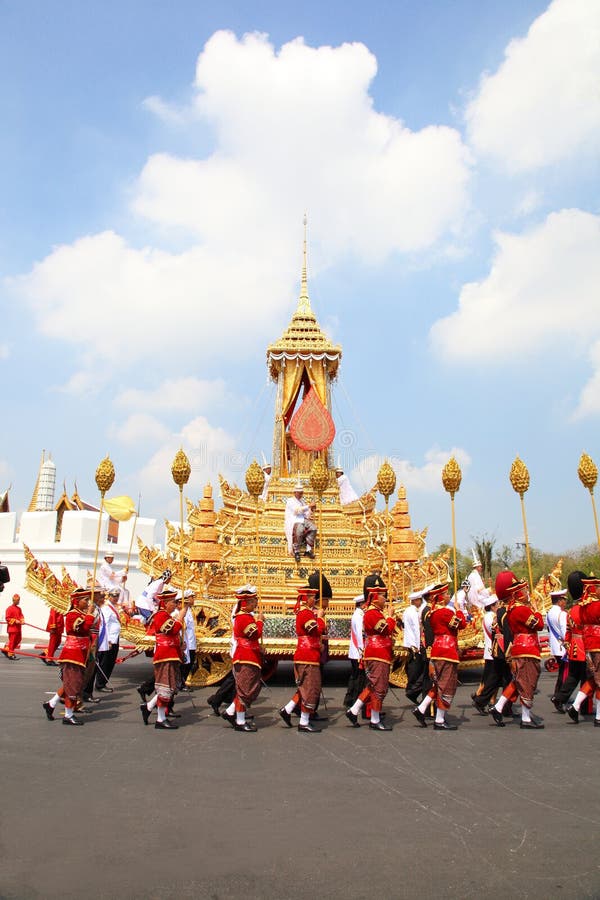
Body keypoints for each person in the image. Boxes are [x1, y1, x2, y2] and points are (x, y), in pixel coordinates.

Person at [489, 578, 545, 729]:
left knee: (518, 681)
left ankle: (499, 707)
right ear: (520, 594)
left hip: (519, 647)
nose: (527, 593)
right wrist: (537, 610)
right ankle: (526, 718)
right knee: (527, 681)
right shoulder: (522, 610)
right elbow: (539, 625)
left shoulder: (512, 609)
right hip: (527, 648)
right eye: (525, 591)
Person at [412, 582, 466, 730]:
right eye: (447, 593)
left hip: (437, 649)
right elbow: (461, 624)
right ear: (441, 597)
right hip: (447, 651)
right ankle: (440, 719)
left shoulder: (432, 612)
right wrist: (458, 610)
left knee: (438, 684)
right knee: (447, 685)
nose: (449, 596)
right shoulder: (445, 612)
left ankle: (422, 708)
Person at [42, 588, 97, 726]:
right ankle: (68, 715)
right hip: (73, 654)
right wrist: (90, 615)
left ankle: (51, 703)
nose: (88, 602)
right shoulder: (73, 614)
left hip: (81, 653)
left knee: (70, 683)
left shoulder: (81, 613)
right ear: (76, 602)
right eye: (85, 600)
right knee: (73, 685)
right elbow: (83, 628)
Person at [346, 587, 397, 730]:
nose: (385, 599)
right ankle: (374, 719)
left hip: (378, 652)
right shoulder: (373, 614)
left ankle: (354, 710)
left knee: (373, 685)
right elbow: (386, 629)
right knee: (379, 687)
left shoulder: (374, 613)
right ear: (375, 598)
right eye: (382, 596)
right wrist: (391, 617)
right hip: (377, 653)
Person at [279, 587, 326, 732]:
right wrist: (320, 618)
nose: (315, 600)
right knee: (311, 688)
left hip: (309, 653)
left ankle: (288, 709)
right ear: (306, 599)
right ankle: (304, 722)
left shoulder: (306, 613)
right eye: (312, 597)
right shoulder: (305, 614)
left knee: (305, 687)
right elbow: (315, 630)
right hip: (307, 656)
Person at [221, 585, 264, 732]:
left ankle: (231, 712)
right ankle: (239, 721)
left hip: (249, 655)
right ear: (245, 604)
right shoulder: (243, 618)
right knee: (244, 689)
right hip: (245, 656)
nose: (255, 604)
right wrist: (260, 621)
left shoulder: (245, 617)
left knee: (248, 687)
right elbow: (254, 634)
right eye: (252, 602)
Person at [140, 589, 183, 730]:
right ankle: (160, 718)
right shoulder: (160, 616)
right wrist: (181, 617)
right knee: (165, 686)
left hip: (171, 654)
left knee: (169, 686)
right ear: (165, 603)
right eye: (173, 602)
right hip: (165, 655)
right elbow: (171, 630)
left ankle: (149, 707)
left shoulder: (166, 615)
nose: (175, 605)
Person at [553, 571, 592, 714]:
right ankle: (583, 707)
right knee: (588, 677)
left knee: (574, 676)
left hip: (574, 647)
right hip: (583, 646)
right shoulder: (584, 609)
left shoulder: (572, 610)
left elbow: (569, 630)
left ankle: (560, 697)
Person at [565, 575, 600, 726]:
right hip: (598, 644)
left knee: (594, 678)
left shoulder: (583, 607)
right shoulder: (597, 605)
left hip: (588, 645)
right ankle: (599, 715)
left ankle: (576, 705)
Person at [471, 594, 500, 714]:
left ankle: (487, 699)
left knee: (491, 679)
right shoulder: (492, 617)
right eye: (497, 604)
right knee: (492, 680)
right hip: (493, 652)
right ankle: (481, 700)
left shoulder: (487, 616)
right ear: (492, 606)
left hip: (490, 652)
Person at [403, 589, 427, 704]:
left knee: (414, 666)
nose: (420, 602)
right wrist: (419, 644)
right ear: (415, 600)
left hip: (411, 642)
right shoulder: (413, 612)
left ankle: (411, 688)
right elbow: (416, 629)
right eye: (419, 600)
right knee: (416, 667)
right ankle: (412, 688)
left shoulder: (408, 611)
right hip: (414, 644)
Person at [95, 590, 122, 692]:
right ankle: (100, 684)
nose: (116, 598)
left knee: (110, 662)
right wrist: (108, 640)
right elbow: (104, 624)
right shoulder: (106, 608)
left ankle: (103, 682)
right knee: (105, 662)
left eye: (117, 596)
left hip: (114, 638)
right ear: (109, 596)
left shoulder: (113, 607)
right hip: (109, 639)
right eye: (114, 596)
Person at [343, 595, 367, 708]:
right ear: (362, 604)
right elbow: (359, 634)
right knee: (359, 678)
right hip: (358, 651)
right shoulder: (359, 616)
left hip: (355, 650)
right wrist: (362, 650)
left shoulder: (358, 614)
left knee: (355, 676)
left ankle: (349, 699)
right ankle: (355, 700)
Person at [284, 483, 317, 562]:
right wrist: (308, 506)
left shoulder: (302, 501)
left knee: (313, 528)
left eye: (301, 493)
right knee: (299, 530)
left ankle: (308, 550)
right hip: (294, 520)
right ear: (295, 492)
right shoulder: (290, 501)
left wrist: (311, 509)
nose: (300, 494)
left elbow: (306, 514)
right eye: (299, 493)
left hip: (303, 520)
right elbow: (297, 511)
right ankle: (297, 552)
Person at [546, 588, 568, 704]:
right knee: (565, 673)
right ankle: (559, 697)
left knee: (562, 673)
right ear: (560, 600)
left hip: (555, 647)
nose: (565, 602)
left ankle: (559, 695)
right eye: (564, 599)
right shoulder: (562, 614)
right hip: (563, 647)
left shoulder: (549, 613)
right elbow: (565, 633)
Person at [179, 591, 197, 691]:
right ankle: (181, 682)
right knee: (184, 664)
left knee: (189, 662)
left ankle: (181, 682)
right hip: (186, 642)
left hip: (191, 640)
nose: (193, 599)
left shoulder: (189, 610)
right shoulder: (182, 611)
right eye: (192, 597)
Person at [2, 593, 24, 659]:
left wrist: (22, 620)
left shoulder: (19, 608)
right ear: (13, 600)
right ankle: (11, 654)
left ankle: (7, 649)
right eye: (17, 600)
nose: (18, 601)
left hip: (18, 628)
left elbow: (21, 615)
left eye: (18, 600)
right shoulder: (9, 608)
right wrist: (14, 621)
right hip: (12, 628)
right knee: (12, 641)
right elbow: (7, 618)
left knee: (19, 640)